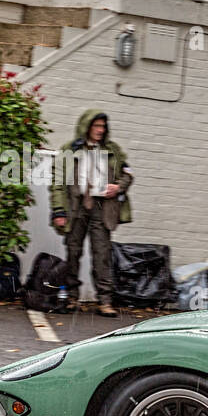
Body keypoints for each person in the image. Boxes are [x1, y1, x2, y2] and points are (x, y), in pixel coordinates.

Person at [50, 109, 134, 316]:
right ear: (86, 127)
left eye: (102, 126)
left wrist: (118, 187)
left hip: (102, 208)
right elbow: (57, 182)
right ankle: (70, 297)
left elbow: (128, 174)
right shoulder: (69, 150)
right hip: (75, 208)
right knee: (73, 252)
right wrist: (58, 210)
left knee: (102, 254)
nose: (100, 130)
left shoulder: (113, 150)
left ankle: (104, 300)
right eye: (96, 126)